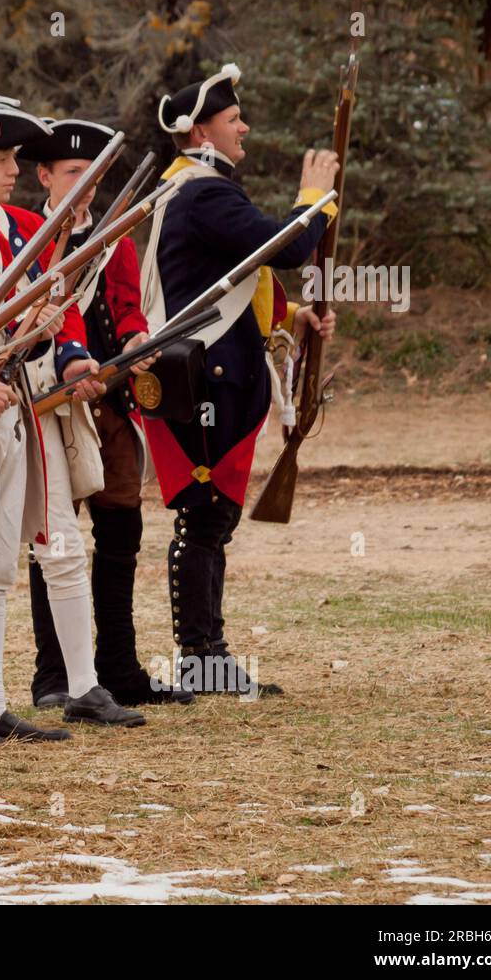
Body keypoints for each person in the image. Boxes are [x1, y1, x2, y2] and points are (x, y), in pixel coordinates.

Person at [0, 97, 141, 749]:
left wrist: (42, 335)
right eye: (3, 159)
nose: (16, 170)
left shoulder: (5, 232)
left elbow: (21, 320)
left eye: (15, 158)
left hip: (7, 415)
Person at [139, 63, 338, 694]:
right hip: (204, 383)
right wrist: (315, 200)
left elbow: (232, 278)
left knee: (212, 517)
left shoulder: (197, 190)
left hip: (214, 377)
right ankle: (202, 657)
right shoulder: (202, 192)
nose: (244, 126)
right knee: (204, 516)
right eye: (232, 119)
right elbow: (283, 248)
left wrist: (296, 318)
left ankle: (207, 654)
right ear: (201, 133)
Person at [14, 119, 193, 711]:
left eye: (93, 176)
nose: (85, 187)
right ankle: (53, 676)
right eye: (72, 174)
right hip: (47, 404)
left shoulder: (115, 239)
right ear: (44, 176)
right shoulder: (25, 238)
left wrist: (139, 349)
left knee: (120, 534)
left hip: (110, 403)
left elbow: (127, 310)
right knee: (53, 543)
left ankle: (118, 665)